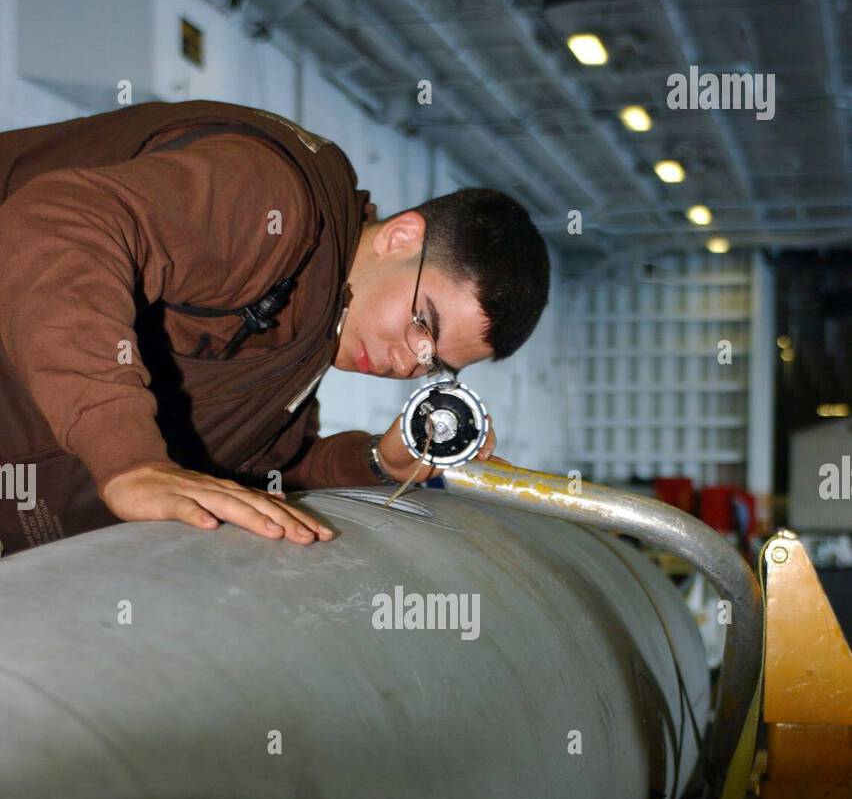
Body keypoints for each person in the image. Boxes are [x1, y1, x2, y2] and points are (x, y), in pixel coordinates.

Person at [0, 100, 549, 557]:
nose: (407, 364)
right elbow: (60, 225)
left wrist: (379, 462)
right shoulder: (276, 204)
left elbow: (252, 466)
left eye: (433, 364)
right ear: (402, 237)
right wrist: (130, 460)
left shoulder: (310, 329)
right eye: (421, 324)